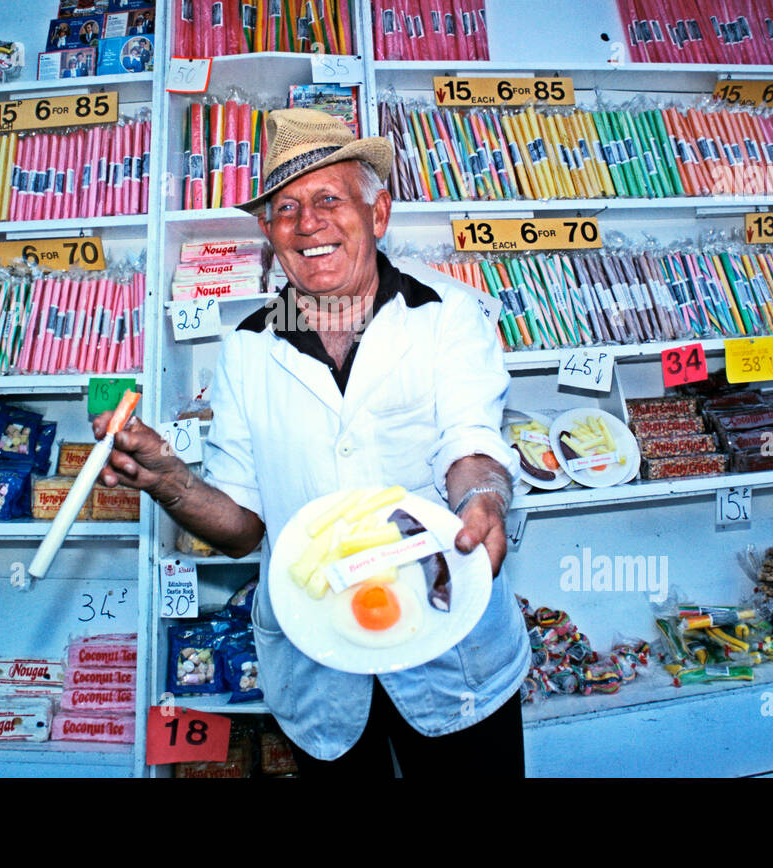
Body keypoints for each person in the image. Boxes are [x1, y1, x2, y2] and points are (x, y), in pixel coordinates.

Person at [94, 109, 529, 777]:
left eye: (329, 199)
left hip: (452, 651)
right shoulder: (246, 347)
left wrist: (483, 499)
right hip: (318, 666)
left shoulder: (450, 313)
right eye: (285, 208)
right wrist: (169, 481)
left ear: (377, 213)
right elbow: (241, 529)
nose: (307, 223)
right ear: (269, 235)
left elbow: (471, 445)